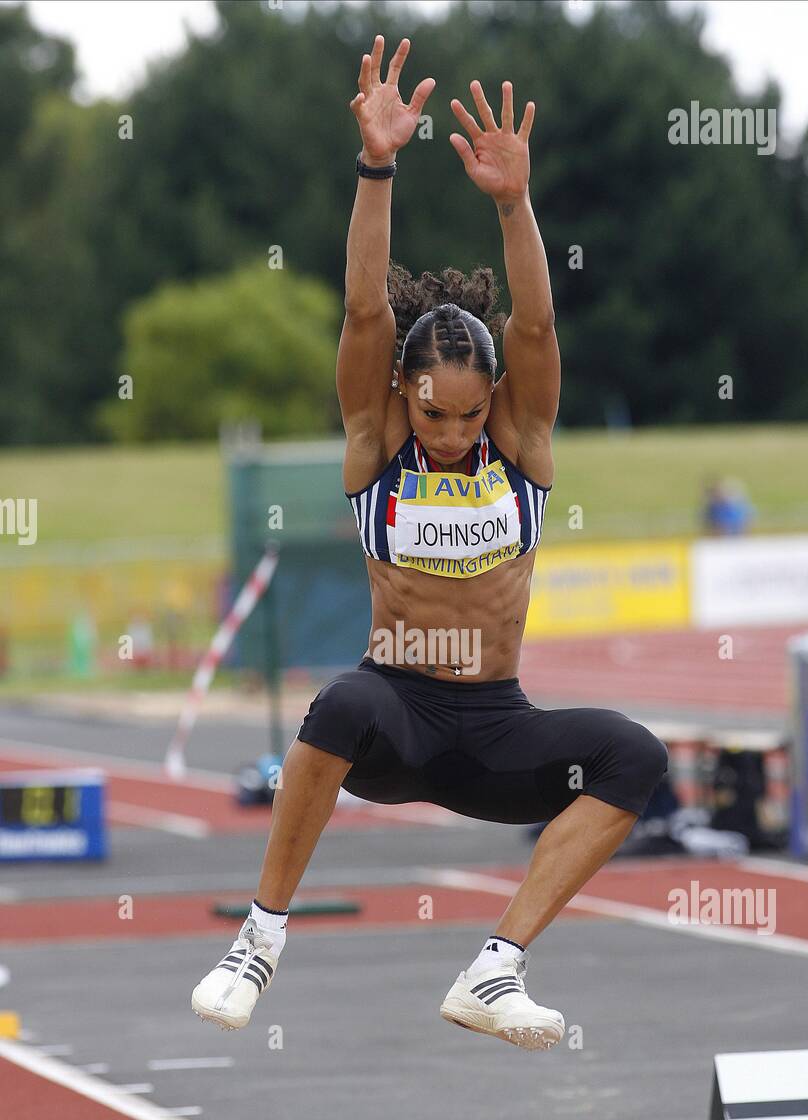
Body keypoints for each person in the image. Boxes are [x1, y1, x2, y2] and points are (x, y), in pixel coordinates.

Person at [192, 34, 668, 1051]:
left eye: (466, 415)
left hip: (497, 728)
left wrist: (512, 202)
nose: (449, 435)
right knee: (340, 698)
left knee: (632, 753)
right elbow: (366, 306)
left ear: (492, 401)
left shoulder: (523, 454)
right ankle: (260, 939)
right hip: (395, 721)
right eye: (432, 414)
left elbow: (535, 329)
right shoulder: (377, 452)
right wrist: (376, 166)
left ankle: (495, 970)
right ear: (403, 399)